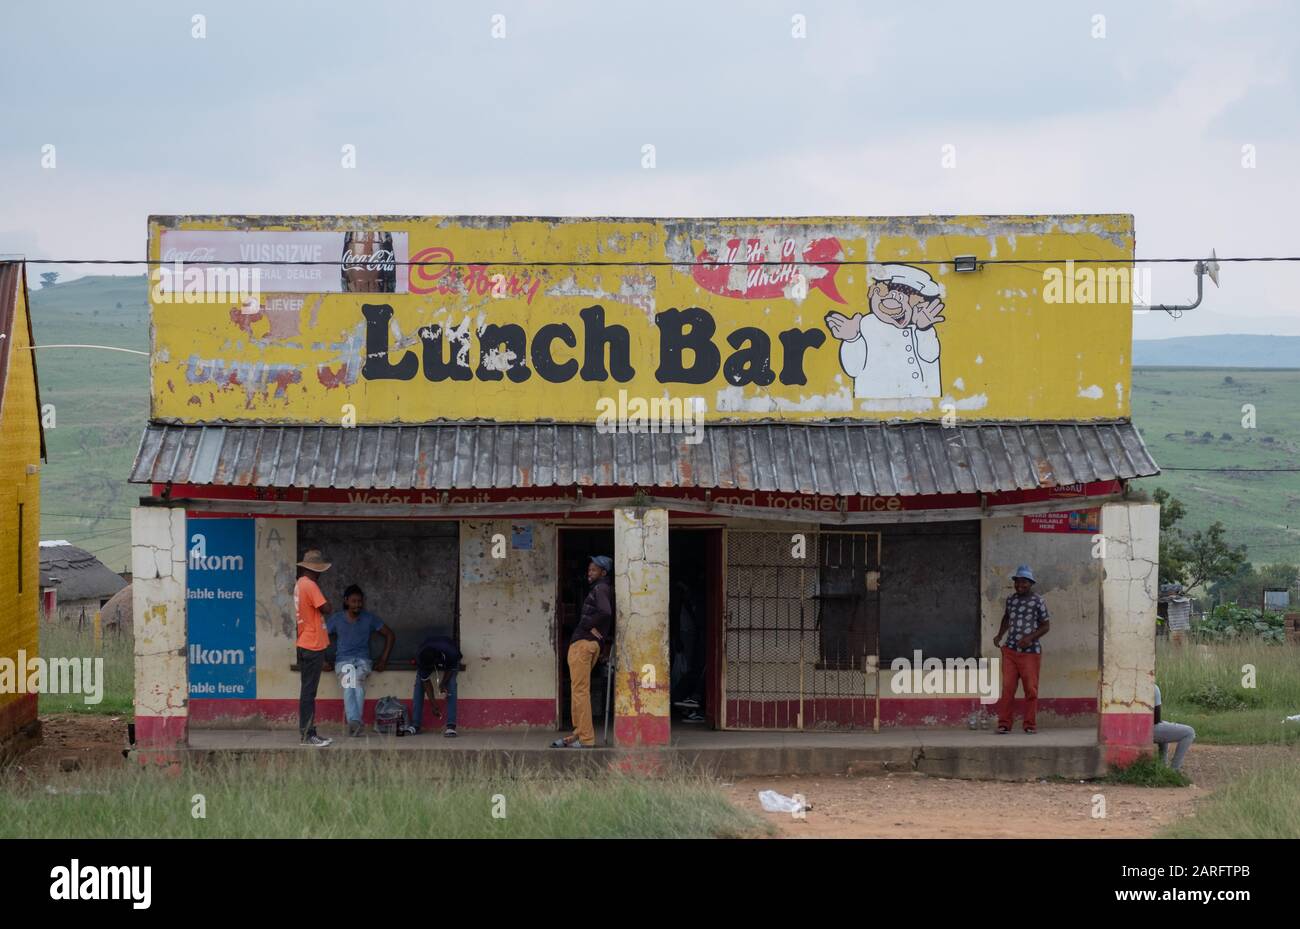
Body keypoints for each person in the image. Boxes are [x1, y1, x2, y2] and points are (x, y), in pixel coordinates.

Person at [824, 264, 946, 399]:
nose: (895, 297)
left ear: (920, 303)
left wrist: (924, 330)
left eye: (906, 294)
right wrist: (852, 339)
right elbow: (853, 369)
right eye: (888, 291)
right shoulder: (866, 324)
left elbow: (930, 355)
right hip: (872, 404)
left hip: (924, 403)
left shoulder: (922, 326)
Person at [552, 555, 613, 748]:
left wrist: (588, 625)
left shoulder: (601, 588)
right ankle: (578, 734)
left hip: (584, 644)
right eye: (589, 568)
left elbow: (606, 612)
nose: (590, 572)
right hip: (587, 643)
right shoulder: (602, 588)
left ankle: (586, 738)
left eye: (594, 569)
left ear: (603, 573)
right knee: (578, 690)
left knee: (580, 692)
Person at [324, 584, 395, 737]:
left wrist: (383, 659)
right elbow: (320, 636)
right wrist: (322, 659)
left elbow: (390, 635)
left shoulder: (369, 619)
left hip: (363, 660)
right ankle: (355, 722)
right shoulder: (336, 619)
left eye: (359, 601)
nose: (357, 605)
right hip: (343, 661)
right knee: (351, 684)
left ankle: (354, 722)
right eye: (354, 601)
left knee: (355, 683)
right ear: (346, 601)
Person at [992, 564, 1051, 734]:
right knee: (1008, 688)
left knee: (1031, 690)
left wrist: (1030, 638)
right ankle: (1004, 724)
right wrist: (999, 635)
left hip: (1030, 653)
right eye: (1017, 582)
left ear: (1031, 583)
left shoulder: (1038, 601)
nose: (1020, 585)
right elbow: (1006, 617)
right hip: (1010, 651)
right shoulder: (1011, 600)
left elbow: (1046, 626)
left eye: (1024, 582)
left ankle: (1030, 725)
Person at [294, 550, 334, 747]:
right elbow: (326, 608)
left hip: (306, 641)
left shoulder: (300, 584)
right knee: (309, 692)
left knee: (308, 691)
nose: (320, 574)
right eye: (319, 570)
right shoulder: (310, 584)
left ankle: (309, 732)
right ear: (315, 570)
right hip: (312, 644)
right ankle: (308, 734)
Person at [407, 633, 462, 737]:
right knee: (419, 683)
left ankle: (451, 726)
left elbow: (451, 668)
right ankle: (415, 724)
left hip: (447, 657)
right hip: (429, 653)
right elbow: (426, 681)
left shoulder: (451, 652)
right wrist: (433, 703)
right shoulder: (420, 656)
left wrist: (443, 683)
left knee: (451, 684)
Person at [1153, 683, 1195, 771]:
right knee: (1189, 732)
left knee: (1164, 725)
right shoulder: (1153, 687)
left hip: (1129, 729)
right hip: (1146, 731)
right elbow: (1156, 719)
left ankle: (1162, 765)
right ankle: (1174, 770)